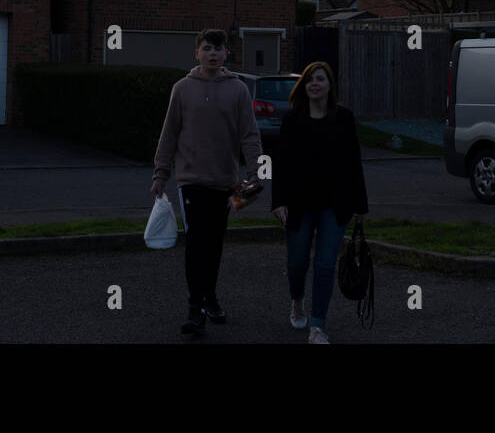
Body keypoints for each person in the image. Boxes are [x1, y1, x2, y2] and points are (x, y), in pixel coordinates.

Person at [151, 28, 262, 336]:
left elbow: (249, 135)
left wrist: (255, 172)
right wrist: (161, 174)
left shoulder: (238, 89)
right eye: (207, 48)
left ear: (226, 54)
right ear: (197, 53)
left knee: (214, 245)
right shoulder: (182, 88)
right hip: (191, 181)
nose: (213, 54)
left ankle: (210, 297)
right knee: (196, 243)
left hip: (225, 181)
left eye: (218, 49)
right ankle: (195, 307)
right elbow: (169, 134)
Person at [270, 61, 368, 344]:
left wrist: (360, 206)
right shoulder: (292, 120)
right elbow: (282, 164)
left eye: (321, 79)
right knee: (297, 261)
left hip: (335, 205)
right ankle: (297, 300)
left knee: (325, 264)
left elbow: (353, 163)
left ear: (330, 85)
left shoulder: (344, 118)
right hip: (299, 203)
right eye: (310, 79)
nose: (315, 83)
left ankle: (317, 326)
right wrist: (278, 202)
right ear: (303, 85)